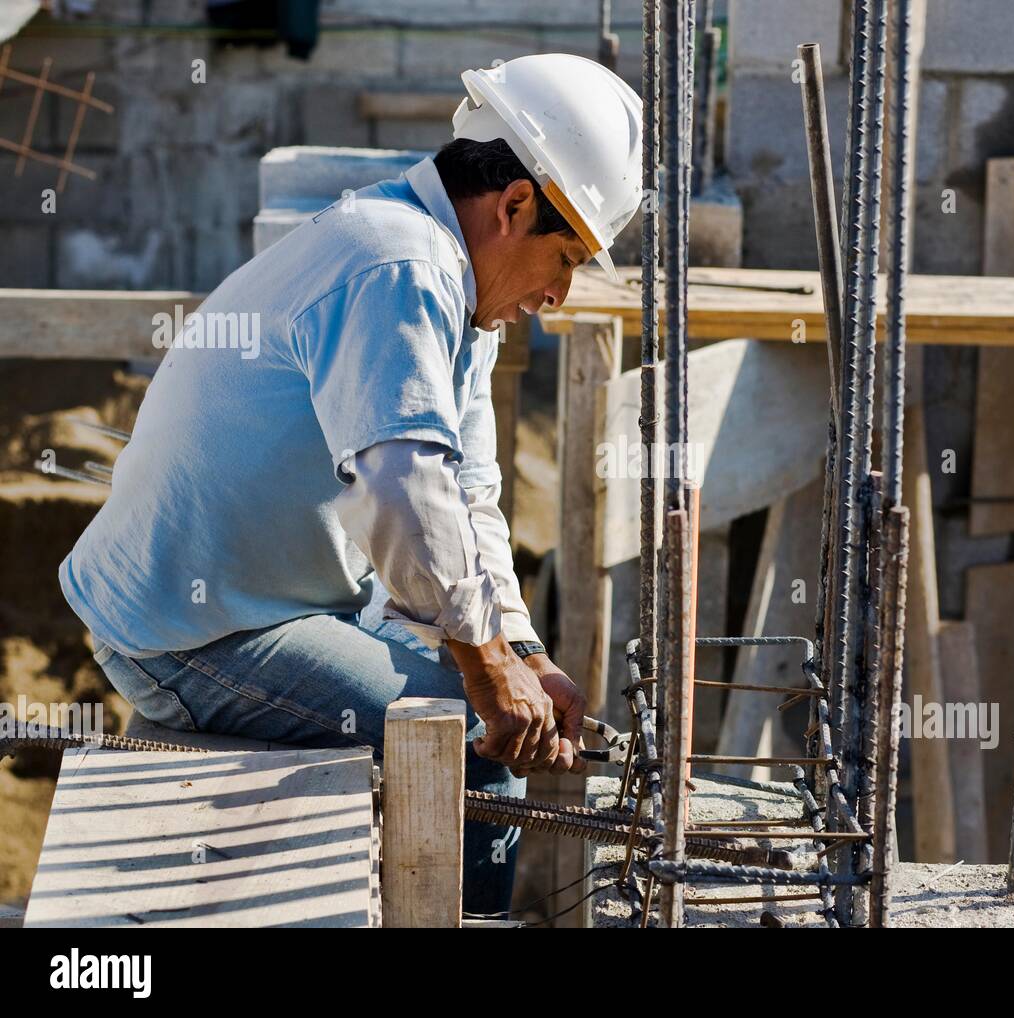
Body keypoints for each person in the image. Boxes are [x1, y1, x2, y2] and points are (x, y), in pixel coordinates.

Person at [58, 52, 643, 916]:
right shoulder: (396, 265)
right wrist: (484, 673)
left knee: (480, 704)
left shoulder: (447, 282)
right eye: (567, 258)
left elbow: (463, 494)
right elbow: (400, 490)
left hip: (265, 603)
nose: (559, 294)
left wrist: (520, 651)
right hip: (189, 633)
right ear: (515, 204)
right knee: (477, 745)